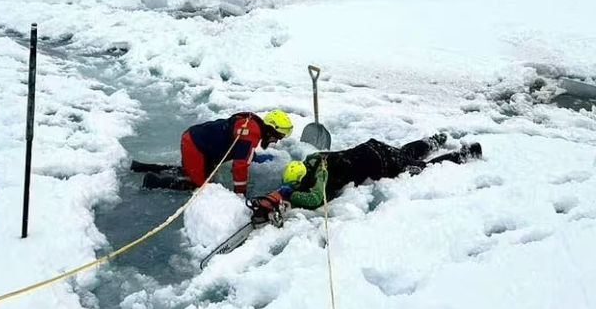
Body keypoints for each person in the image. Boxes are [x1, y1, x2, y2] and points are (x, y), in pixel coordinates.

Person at [248, 133, 484, 223]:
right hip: (371, 148)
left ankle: (465, 154)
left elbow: (316, 198)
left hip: (380, 163)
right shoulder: (314, 159)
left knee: (422, 168)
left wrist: (291, 195)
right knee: (404, 152)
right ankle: (433, 141)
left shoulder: (321, 174)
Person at [134, 109, 292, 193]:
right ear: (270, 130)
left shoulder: (253, 125)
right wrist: (240, 193)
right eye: (277, 136)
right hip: (194, 146)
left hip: (199, 142)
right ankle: (153, 181)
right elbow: (240, 166)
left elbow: (241, 147)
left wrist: (254, 157)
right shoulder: (251, 133)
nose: (276, 141)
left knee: (193, 172)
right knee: (199, 185)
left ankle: (142, 167)